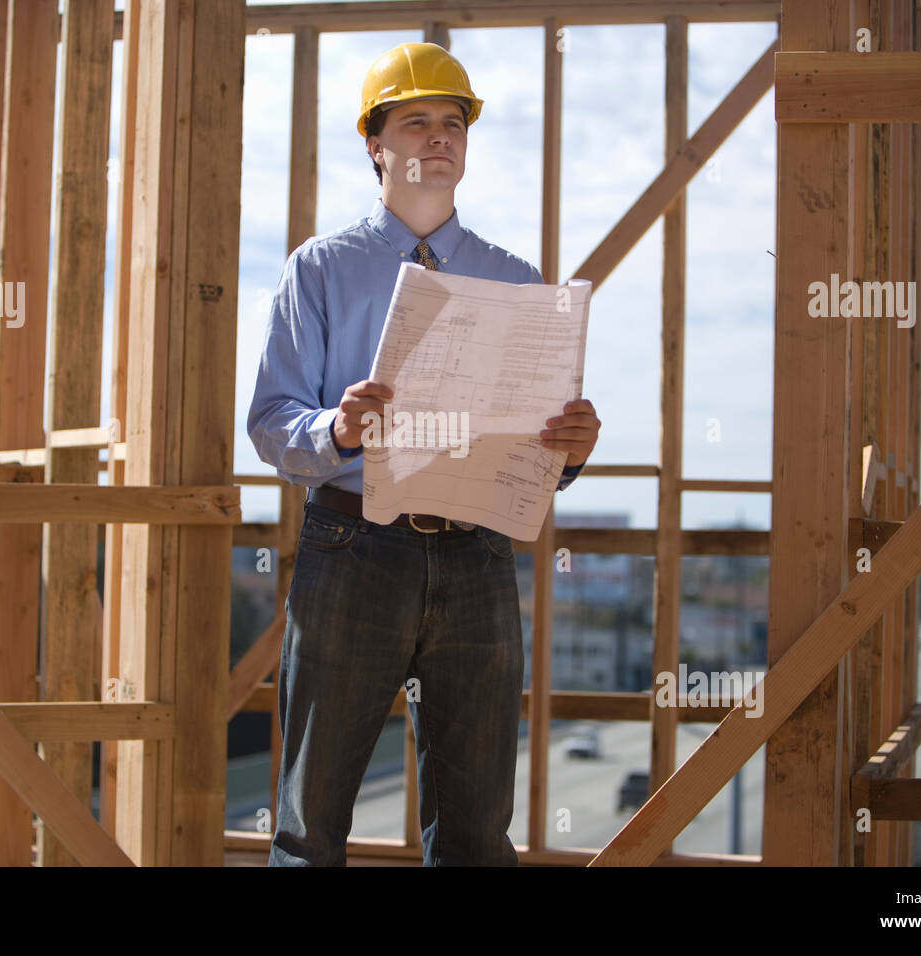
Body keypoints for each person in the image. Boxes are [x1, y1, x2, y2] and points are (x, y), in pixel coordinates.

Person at [247, 41, 601, 866]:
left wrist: (570, 449)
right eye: (416, 121)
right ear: (376, 144)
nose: (439, 136)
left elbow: (534, 441)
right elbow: (270, 421)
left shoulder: (517, 280)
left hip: (478, 555)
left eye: (453, 122)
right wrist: (336, 430)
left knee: (478, 829)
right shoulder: (320, 272)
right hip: (352, 547)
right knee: (310, 824)